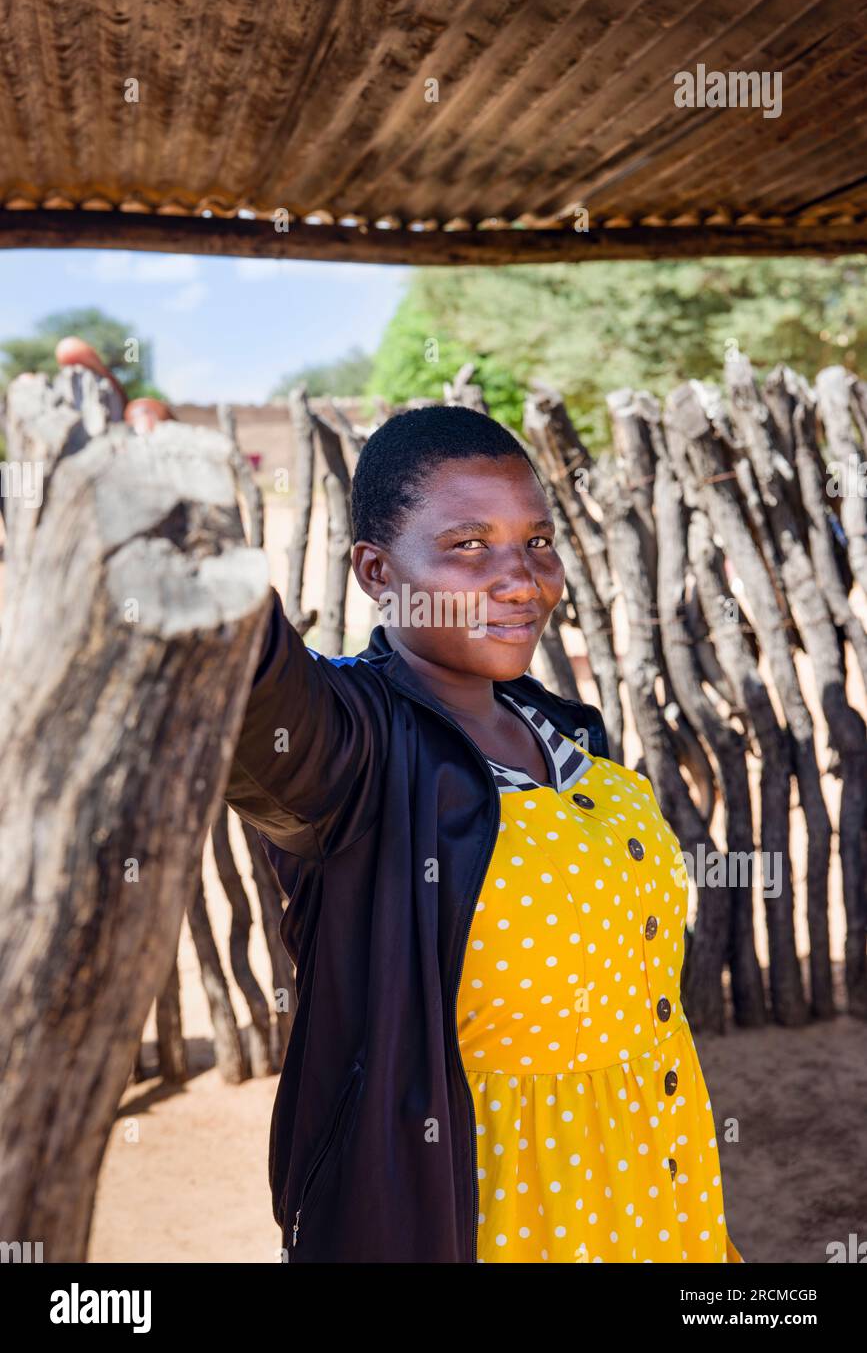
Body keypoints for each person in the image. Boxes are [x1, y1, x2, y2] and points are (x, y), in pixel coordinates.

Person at [58, 341, 744, 1264]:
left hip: (656, 1198)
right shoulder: (357, 753)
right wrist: (172, 516)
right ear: (376, 573)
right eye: (467, 546)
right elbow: (258, 695)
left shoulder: (558, 733)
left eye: (534, 540)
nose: (520, 577)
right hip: (487, 1222)